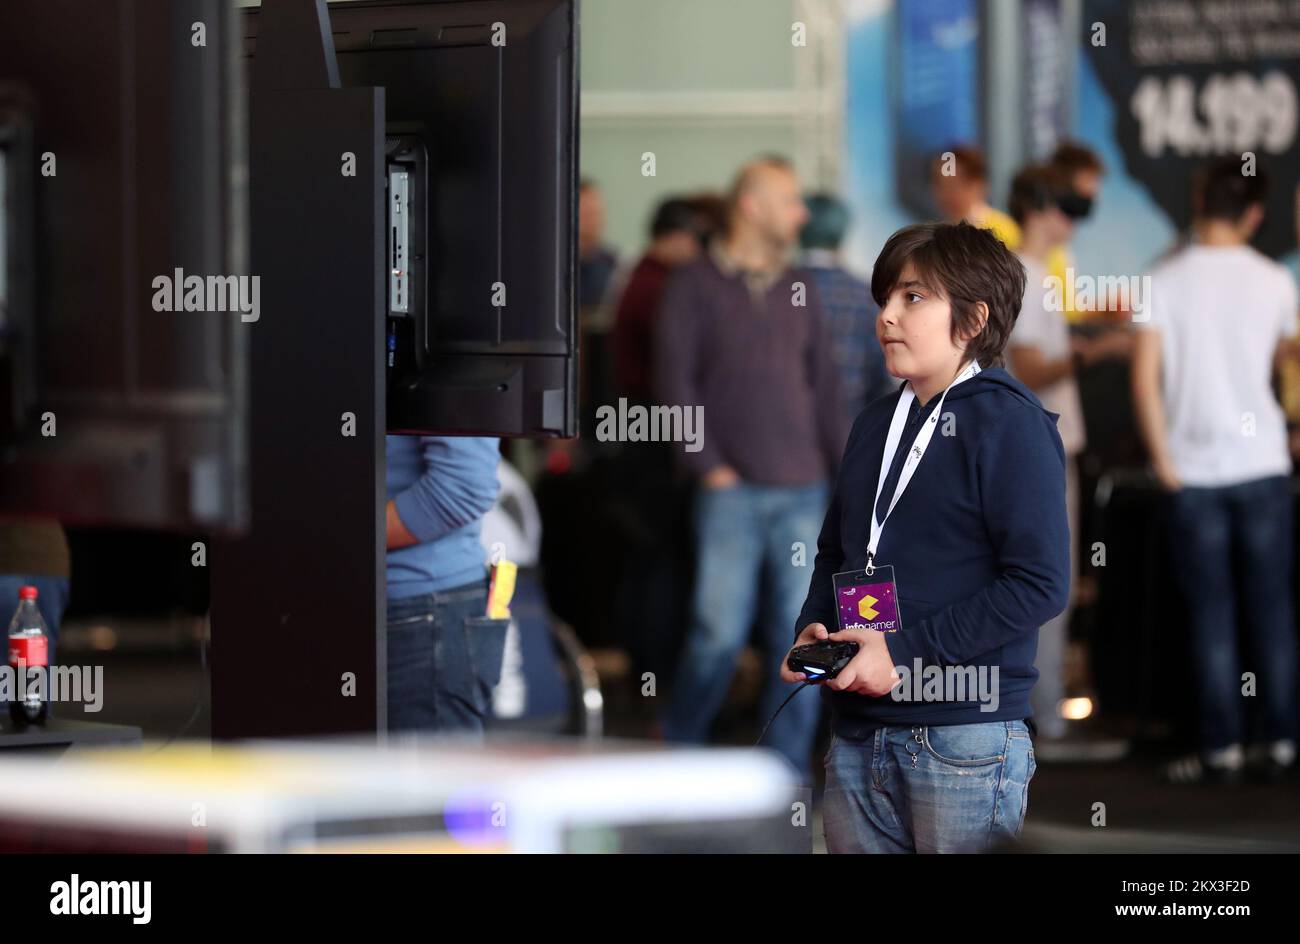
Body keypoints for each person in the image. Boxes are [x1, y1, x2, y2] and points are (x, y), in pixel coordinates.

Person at [785, 221, 1069, 853]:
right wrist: (815, 625)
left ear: (971, 320)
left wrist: (904, 654)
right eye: (885, 298)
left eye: (912, 298)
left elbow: (1040, 585)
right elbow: (839, 551)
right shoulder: (876, 423)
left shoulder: (1010, 423)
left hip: (962, 735)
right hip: (858, 732)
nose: (886, 315)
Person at [655, 155, 845, 778]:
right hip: (729, 492)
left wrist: (845, 475)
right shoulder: (691, 286)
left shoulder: (802, 286)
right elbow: (674, 385)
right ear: (752, 206)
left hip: (804, 489)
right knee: (717, 635)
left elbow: (824, 389)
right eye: (790, 201)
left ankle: (781, 776)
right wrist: (708, 467)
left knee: (801, 642)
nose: (800, 214)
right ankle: (674, 760)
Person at [1132, 157, 1299, 784]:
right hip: (1264, 466)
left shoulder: (1162, 278)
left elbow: (1144, 382)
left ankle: (1222, 747)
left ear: (1200, 200)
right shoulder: (1276, 279)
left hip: (1193, 472)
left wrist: (1164, 463)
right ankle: (1281, 739)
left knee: (1211, 615)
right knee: (1272, 610)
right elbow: (1282, 364)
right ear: (1255, 213)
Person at [1005, 163, 1122, 750]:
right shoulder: (1023, 275)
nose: (1076, 222)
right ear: (1040, 207)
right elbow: (1027, 368)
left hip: (1043, 446)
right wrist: (1095, 352)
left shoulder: (1033, 275)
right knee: (1048, 583)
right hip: (1042, 449)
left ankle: (1037, 714)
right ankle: (1040, 718)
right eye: (1071, 208)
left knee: (1046, 583)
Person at [385, 434, 505, 733]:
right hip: (395, 602)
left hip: (417, 608)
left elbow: (462, 488)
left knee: (430, 778)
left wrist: (332, 535)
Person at [800, 192, 894, 422]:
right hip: (851, 423)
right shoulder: (864, 294)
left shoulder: (780, 290)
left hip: (791, 426)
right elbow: (881, 371)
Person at [611, 197, 704, 402]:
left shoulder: (645, 274)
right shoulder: (658, 286)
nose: (698, 250)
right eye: (695, 239)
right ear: (676, 237)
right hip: (650, 407)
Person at [930, 145, 1020, 249]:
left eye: (954, 185)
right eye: (939, 184)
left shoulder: (1003, 231)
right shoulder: (934, 235)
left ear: (978, 184)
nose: (946, 193)